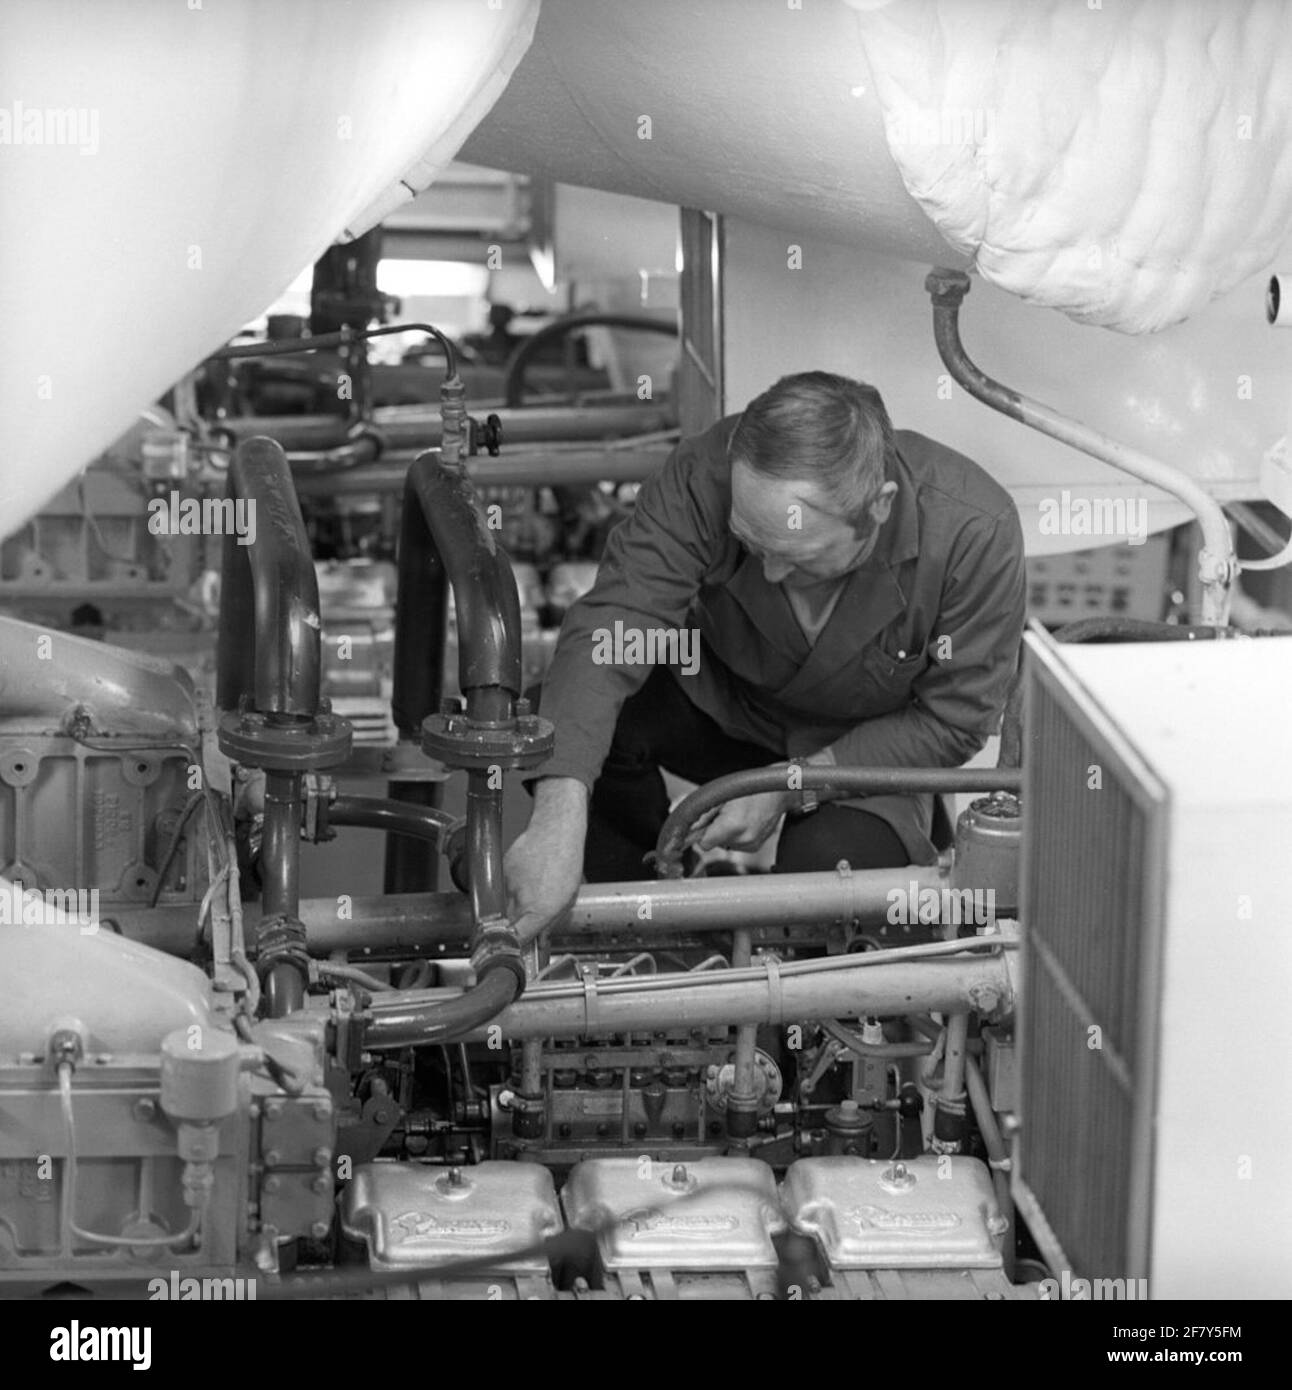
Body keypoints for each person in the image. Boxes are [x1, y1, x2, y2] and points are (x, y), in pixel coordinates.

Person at [504, 371, 1026, 942]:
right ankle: (642, 934)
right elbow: (611, 632)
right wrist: (558, 818)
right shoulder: (702, 476)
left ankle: (805, 1008)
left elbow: (952, 721)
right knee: (564, 735)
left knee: (831, 886)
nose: (770, 574)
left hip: (862, 757)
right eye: (751, 546)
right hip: (727, 710)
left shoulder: (974, 531)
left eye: (796, 557)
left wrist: (789, 785)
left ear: (878, 507)